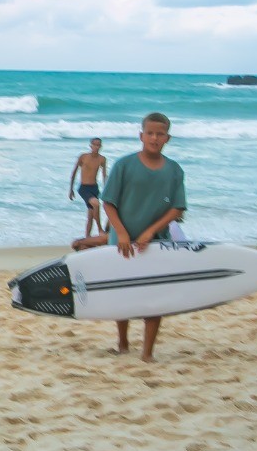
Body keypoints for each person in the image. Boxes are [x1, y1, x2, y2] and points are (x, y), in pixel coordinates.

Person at [73, 112, 187, 363]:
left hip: (156, 242)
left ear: (167, 138)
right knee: (123, 292)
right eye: (150, 133)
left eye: (160, 134)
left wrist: (149, 231)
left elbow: (177, 208)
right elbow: (109, 202)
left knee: (156, 297)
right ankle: (123, 342)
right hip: (121, 242)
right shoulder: (125, 165)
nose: (154, 138)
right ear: (141, 135)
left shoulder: (174, 170)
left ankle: (147, 353)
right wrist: (121, 232)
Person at [68, 137, 108, 236]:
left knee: (90, 216)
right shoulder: (83, 157)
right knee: (96, 204)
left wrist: (107, 190)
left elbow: (104, 176)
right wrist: (71, 189)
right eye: (94, 145)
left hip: (94, 188)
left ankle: (87, 238)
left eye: (98, 145)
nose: (96, 147)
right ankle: (100, 230)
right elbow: (74, 172)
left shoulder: (102, 159)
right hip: (84, 188)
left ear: (101, 146)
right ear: (91, 146)